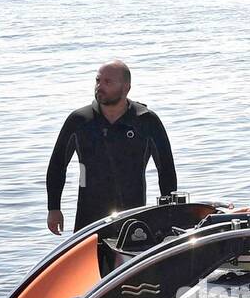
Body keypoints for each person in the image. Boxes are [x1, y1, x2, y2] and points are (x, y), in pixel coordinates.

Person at [45, 60, 178, 234]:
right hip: (89, 219)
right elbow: (57, 165)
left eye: (107, 82)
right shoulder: (79, 120)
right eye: (98, 80)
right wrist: (53, 208)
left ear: (126, 87)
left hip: (133, 215)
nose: (99, 86)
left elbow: (166, 168)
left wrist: (170, 212)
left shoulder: (145, 120)